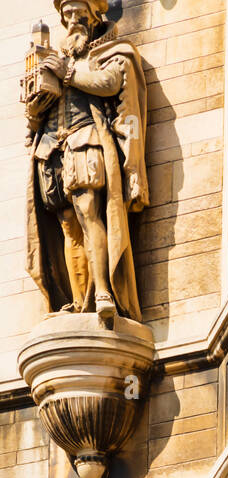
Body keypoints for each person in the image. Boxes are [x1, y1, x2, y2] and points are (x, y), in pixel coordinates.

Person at [25, 0, 148, 325]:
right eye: (67, 14)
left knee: (89, 212)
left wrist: (66, 72)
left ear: (94, 14)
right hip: (51, 149)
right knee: (68, 224)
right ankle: (81, 301)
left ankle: (103, 292)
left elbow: (109, 83)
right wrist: (36, 103)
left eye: (79, 12)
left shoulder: (113, 51)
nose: (72, 19)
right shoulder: (54, 57)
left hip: (86, 139)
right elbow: (37, 114)